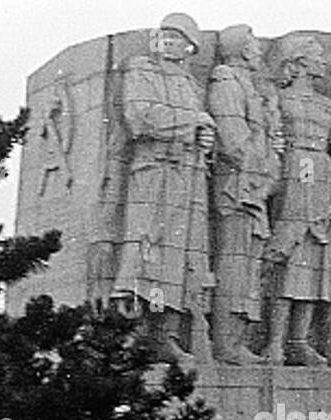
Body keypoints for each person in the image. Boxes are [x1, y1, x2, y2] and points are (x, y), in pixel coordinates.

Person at [112, 12, 216, 366]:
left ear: (190, 47)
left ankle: (165, 335)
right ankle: (134, 332)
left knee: (180, 257)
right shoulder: (142, 70)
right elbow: (140, 116)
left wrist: (204, 135)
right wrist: (194, 123)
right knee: (145, 250)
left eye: (177, 37)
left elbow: (200, 131)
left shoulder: (191, 85)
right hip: (154, 172)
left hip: (187, 176)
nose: (168, 42)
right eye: (164, 36)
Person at [263, 36, 331, 367]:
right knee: (290, 258)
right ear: (297, 63)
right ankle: (274, 343)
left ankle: (300, 340)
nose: (323, 62)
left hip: (322, 176)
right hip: (294, 174)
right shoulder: (279, 100)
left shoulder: (328, 105)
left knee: (317, 264)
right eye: (316, 56)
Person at [208, 24, 282, 364]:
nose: (258, 47)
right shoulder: (225, 78)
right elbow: (233, 138)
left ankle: (237, 341)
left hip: (254, 186)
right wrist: (264, 167)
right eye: (252, 41)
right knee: (235, 264)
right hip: (237, 186)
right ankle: (226, 344)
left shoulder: (250, 84)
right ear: (240, 47)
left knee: (248, 265)